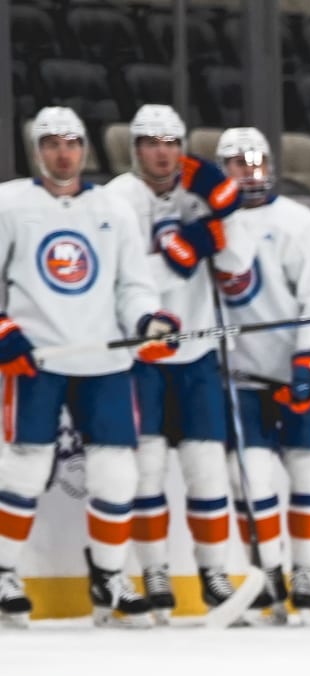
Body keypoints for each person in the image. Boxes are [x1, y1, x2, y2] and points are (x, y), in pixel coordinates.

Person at [0, 106, 181, 628]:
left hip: (104, 359)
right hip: (37, 358)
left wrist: (148, 322)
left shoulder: (111, 209)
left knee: (117, 472)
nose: (64, 153)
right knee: (25, 466)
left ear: (85, 149)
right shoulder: (11, 204)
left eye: (73, 143)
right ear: (37, 149)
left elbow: (134, 284)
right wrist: (4, 329)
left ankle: (108, 576)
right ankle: (5, 572)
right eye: (53, 143)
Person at [104, 104, 252, 621]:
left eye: (172, 142)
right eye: (152, 142)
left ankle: (213, 574)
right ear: (135, 148)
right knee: (145, 471)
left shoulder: (199, 195)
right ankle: (155, 572)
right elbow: (117, 279)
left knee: (207, 469)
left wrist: (224, 207)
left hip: (197, 350)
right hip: (140, 354)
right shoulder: (116, 199)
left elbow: (238, 263)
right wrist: (178, 252)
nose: (163, 152)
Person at [214, 126, 310, 615]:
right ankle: (267, 572)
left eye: (256, 162)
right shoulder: (212, 225)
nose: (250, 172)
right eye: (237, 163)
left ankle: (308, 573)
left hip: (301, 372)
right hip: (242, 376)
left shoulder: (297, 221)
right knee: (248, 475)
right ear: (221, 169)